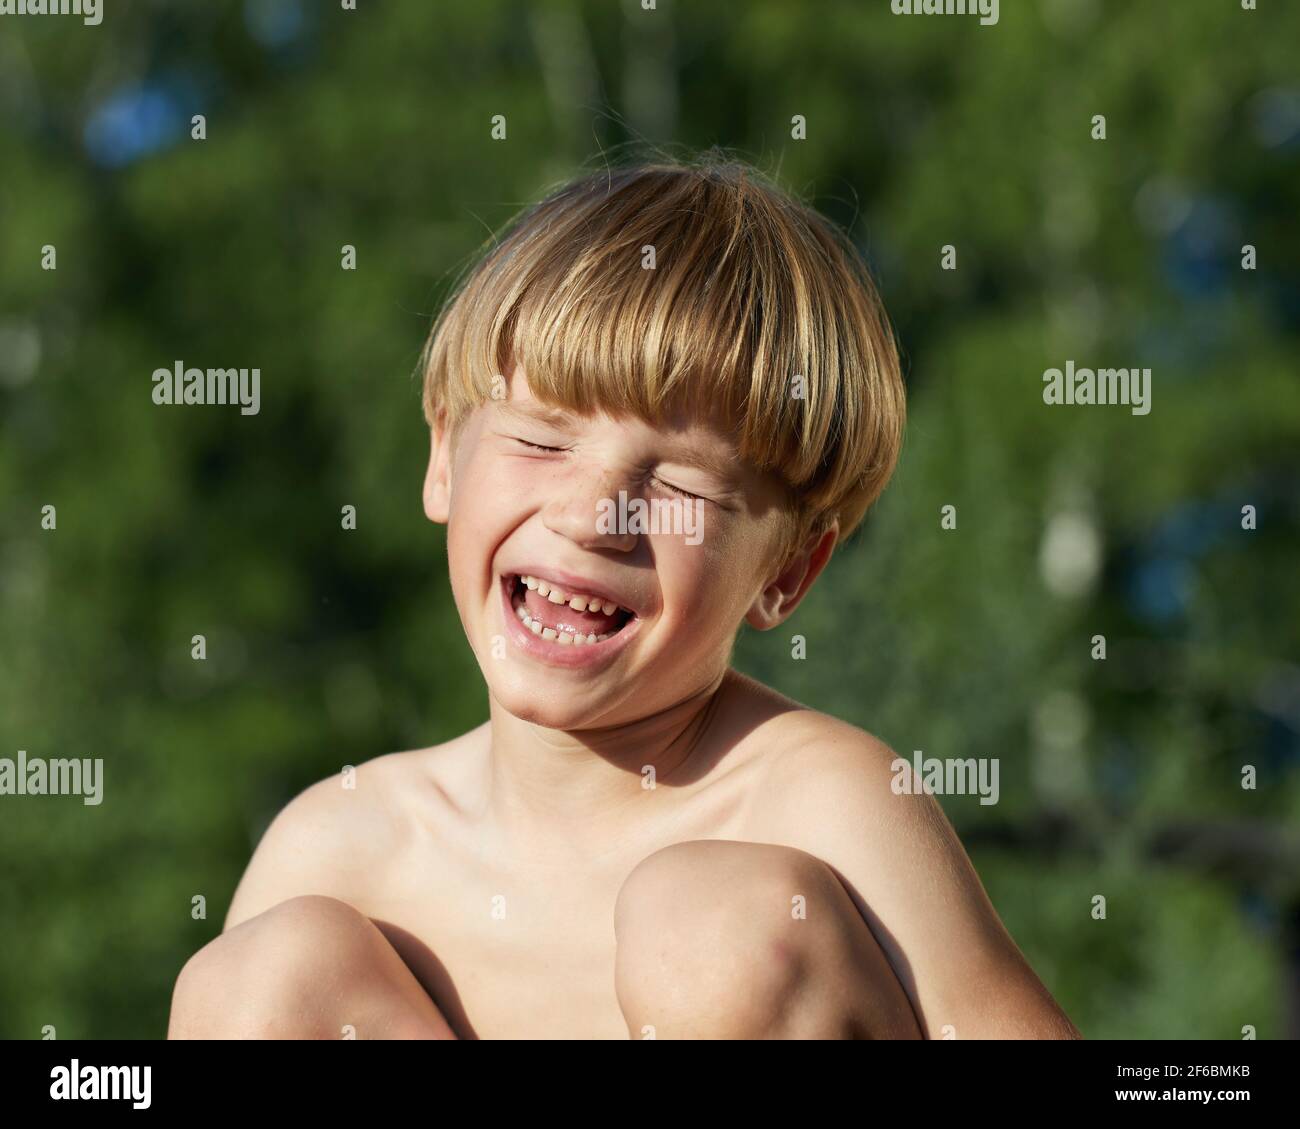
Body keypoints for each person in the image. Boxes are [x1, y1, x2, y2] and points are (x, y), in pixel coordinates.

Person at [168, 156, 1080, 1040]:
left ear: (789, 571)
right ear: (444, 454)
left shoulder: (822, 803)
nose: (589, 515)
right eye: (539, 439)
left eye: (682, 484)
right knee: (266, 979)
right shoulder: (339, 850)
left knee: (715, 933)